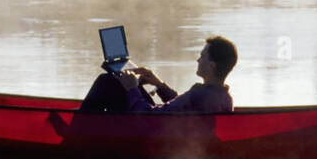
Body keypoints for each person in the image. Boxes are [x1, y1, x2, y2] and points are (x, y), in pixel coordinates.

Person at [79, 35, 238, 114]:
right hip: (170, 129)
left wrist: (132, 89)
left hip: (148, 130)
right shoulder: (223, 96)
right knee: (122, 84)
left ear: (212, 65)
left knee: (107, 81)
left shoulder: (199, 94)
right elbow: (182, 107)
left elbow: (148, 115)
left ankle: (76, 129)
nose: (198, 60)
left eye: (202, 56)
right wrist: (159, 85)